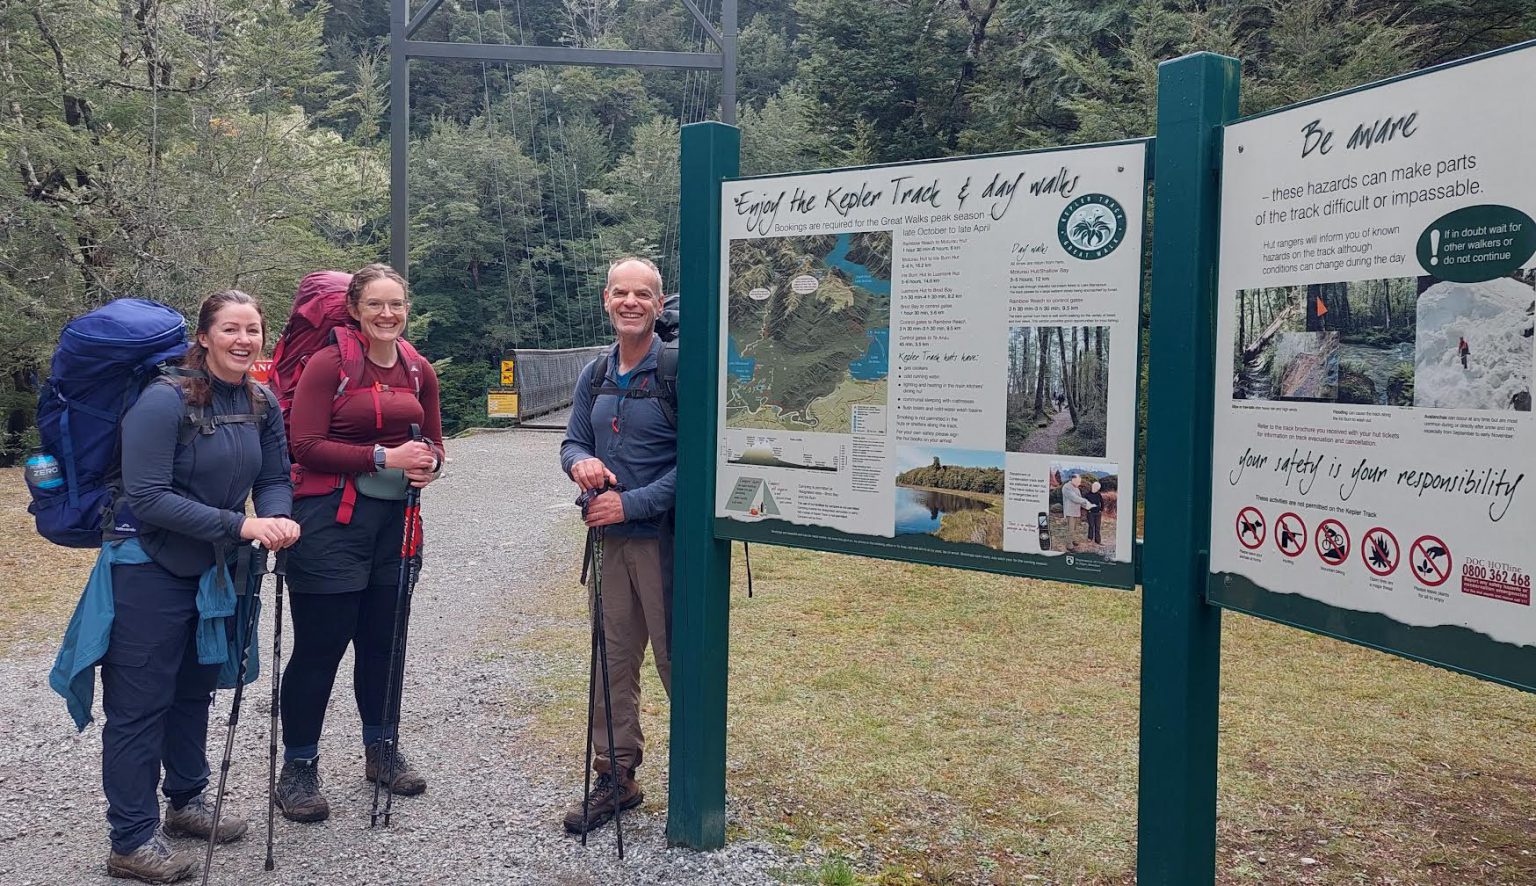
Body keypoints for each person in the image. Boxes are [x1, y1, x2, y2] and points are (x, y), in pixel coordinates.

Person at [102, 290, 299, 883]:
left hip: (214, 566)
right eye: (232, 329)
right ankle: (130, 839)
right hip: (147, 567)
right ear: (205, 336)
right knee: (138, 704)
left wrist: (279, 516)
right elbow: (148, 497)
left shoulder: (262, 402)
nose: (244, 340)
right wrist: (242, 524)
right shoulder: (162, 402)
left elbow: (274, 476)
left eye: (254, 330)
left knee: (194, 687)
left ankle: (186, 801)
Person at [275, 264, 444, 823]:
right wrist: (383, 457)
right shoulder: (329, 365)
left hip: (396, 522)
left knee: (384, 640)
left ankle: (382, 748)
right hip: (328, 522)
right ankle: (299, 766)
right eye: (375, 304)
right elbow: (304, 445)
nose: (387, 314)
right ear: (354, 309)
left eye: (396, 304)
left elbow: (436, 442)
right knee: (321, 646)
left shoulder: (418, 369)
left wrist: (429, 465)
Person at [559, 256, 677, 834]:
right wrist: (581, 465)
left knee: (679, 660)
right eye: (620, 293)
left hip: (665, 542)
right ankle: (616, 777)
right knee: (613, 660)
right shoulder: (595, 373)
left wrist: (631, 502)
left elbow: (696, 464)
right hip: (610, 543)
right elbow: (572, 441)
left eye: (642, 295)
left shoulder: (677, 370)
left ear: (658, 303)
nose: (630, 303)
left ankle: (694, 775)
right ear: (606, 299)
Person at [1061, 473, 1093, 550]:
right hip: (1070, 512)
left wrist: (1088, 506)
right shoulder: (1066, 487)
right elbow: (1074, 498)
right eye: (1078, 481)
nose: (1080, 483)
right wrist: (1086, 501)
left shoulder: (1077, 488)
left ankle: (1073, 540)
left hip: (1076, 512)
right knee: (1071, 529)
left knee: (1075, 529)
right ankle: (1069, 545)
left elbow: (1079, 500)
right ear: (1073, 480)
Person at [1084, 480, 1105, 545]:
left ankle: (1098, 541)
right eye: (1095, 486)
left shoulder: (1099, 494)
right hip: (1090, 513)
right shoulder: (1087, 495)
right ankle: (1090, 538)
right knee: (1091, 526)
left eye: (1097, 487)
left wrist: (1101, 509)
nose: (1096, 488)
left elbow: (1102, 502)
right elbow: (1084, 504)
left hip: (1098, 513)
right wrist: (1088, 510)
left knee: (1097, 527)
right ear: (1092, 486)